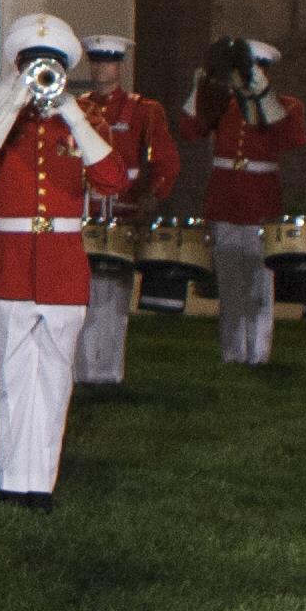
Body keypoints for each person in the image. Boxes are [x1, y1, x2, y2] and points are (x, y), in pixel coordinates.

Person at [0, 15, 119, 506]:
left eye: (49, 67)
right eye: (31, 65)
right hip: (10, 266)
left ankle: (40, 483)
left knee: (54, 380)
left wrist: (71, 112)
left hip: (62, 269)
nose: (40, 75)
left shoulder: (84, 120)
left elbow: (113, 179)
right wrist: (13, 99)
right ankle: (12, 480)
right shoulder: (1, 118)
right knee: (10, 379)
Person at [66, 34, 175, 387]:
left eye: (109, 62)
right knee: (80, 294)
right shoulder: (76, 105)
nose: (101, 69)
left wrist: (152, 195)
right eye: (96, 61)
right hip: (82, 209)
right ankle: (81, 371)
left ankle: (108, 373)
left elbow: (164, 160)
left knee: (113, 295)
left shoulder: (144, 109)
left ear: (120, 66)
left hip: (122, 211)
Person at [192, 42, 306, 368]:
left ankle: (257, 353)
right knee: (229, 284)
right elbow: (191, 128)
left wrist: (264, 95)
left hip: (261, 202)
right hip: (226, 199)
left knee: (259, 283)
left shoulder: (284, 105)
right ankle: (232, 353)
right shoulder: (221, 105)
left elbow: (292, 139)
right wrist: (202, 85)